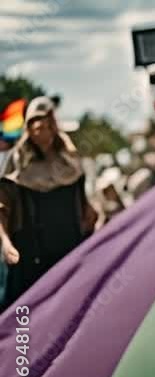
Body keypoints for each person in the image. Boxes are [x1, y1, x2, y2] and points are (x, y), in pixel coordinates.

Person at [0, 97, 97, 308]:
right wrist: (6, 243)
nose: (41, 130)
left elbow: (86, 207)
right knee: (29, 315)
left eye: (46, 124)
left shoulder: (69, 160)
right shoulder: (17, 161)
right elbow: (2, 209)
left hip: (70, 251)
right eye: (36, 125)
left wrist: (92, 221)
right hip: (32, 258)